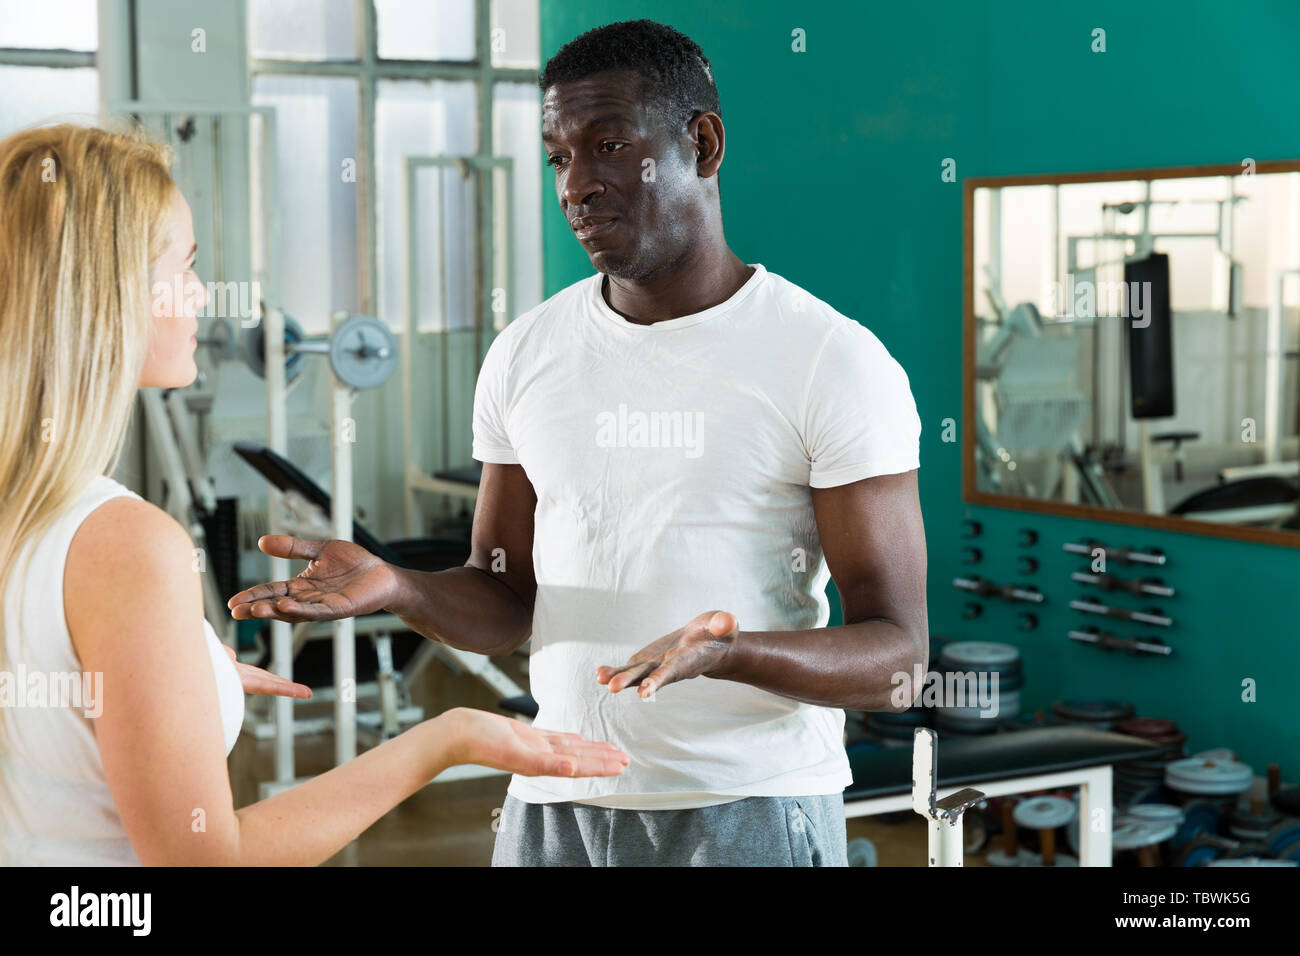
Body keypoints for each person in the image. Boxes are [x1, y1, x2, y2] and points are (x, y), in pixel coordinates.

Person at [230, 19, 928, 867]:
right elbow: (504, 600)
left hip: (744, 804)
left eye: (609, 147)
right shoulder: (527, 353)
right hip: (552, 794)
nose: (579, 187)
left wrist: (732, 654)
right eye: (560, 157)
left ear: (702, 145)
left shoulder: (830, 360)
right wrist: (401, 589)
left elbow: (896, 657)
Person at [0, 122, 628, 867]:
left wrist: (165, 673)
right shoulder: (125, 545)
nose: (203, 295)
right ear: (105, 292)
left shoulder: (32, 514)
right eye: (186, 267)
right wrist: (449, 738)